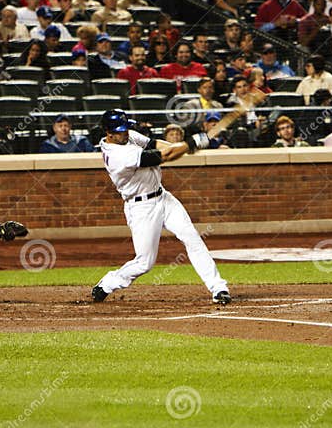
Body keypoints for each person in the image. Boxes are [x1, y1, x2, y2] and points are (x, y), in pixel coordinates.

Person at [91, 109, 231, 305]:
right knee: (144, 263)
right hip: (141, 208)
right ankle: (108, 283)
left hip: (163, 197)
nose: (125, 133)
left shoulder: (128, 136)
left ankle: (218, 288)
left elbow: (157, 145)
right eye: (120, 131)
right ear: (109, 133)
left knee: (192, 238)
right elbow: (163, 156)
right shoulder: (118, 156)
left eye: (125, 129)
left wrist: (184, 147)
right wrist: (191, 143)